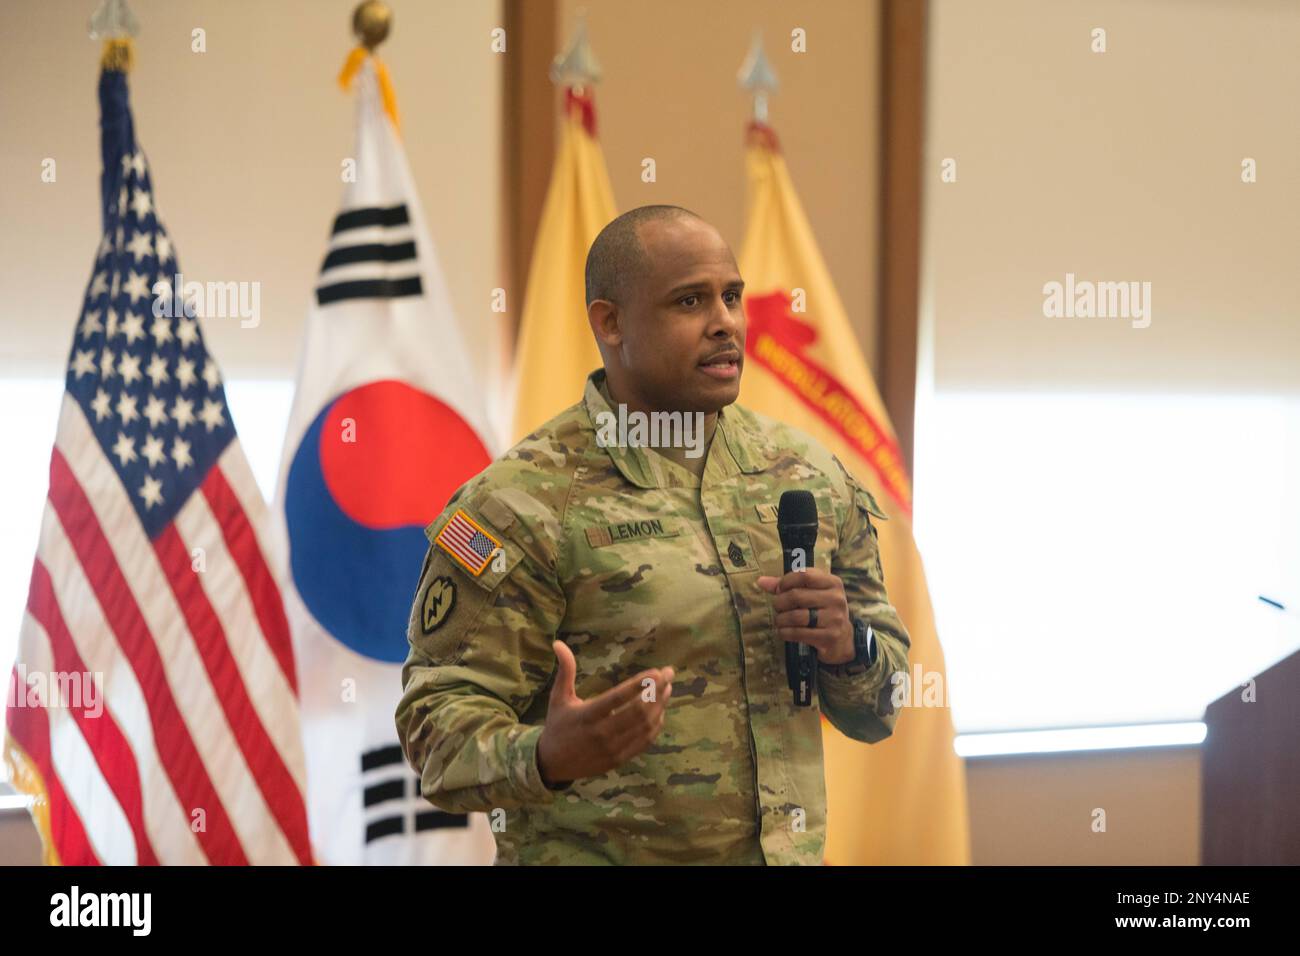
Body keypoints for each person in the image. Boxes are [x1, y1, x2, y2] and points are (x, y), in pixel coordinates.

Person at [395, 204, 910, 864]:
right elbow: (432, 729)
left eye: (732, 297)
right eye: (690, 301)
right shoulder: (520, 504)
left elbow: (887, 703)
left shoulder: (807, 475)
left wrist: (851, 647)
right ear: (610, 323)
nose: (725, 322)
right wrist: (545, 755)